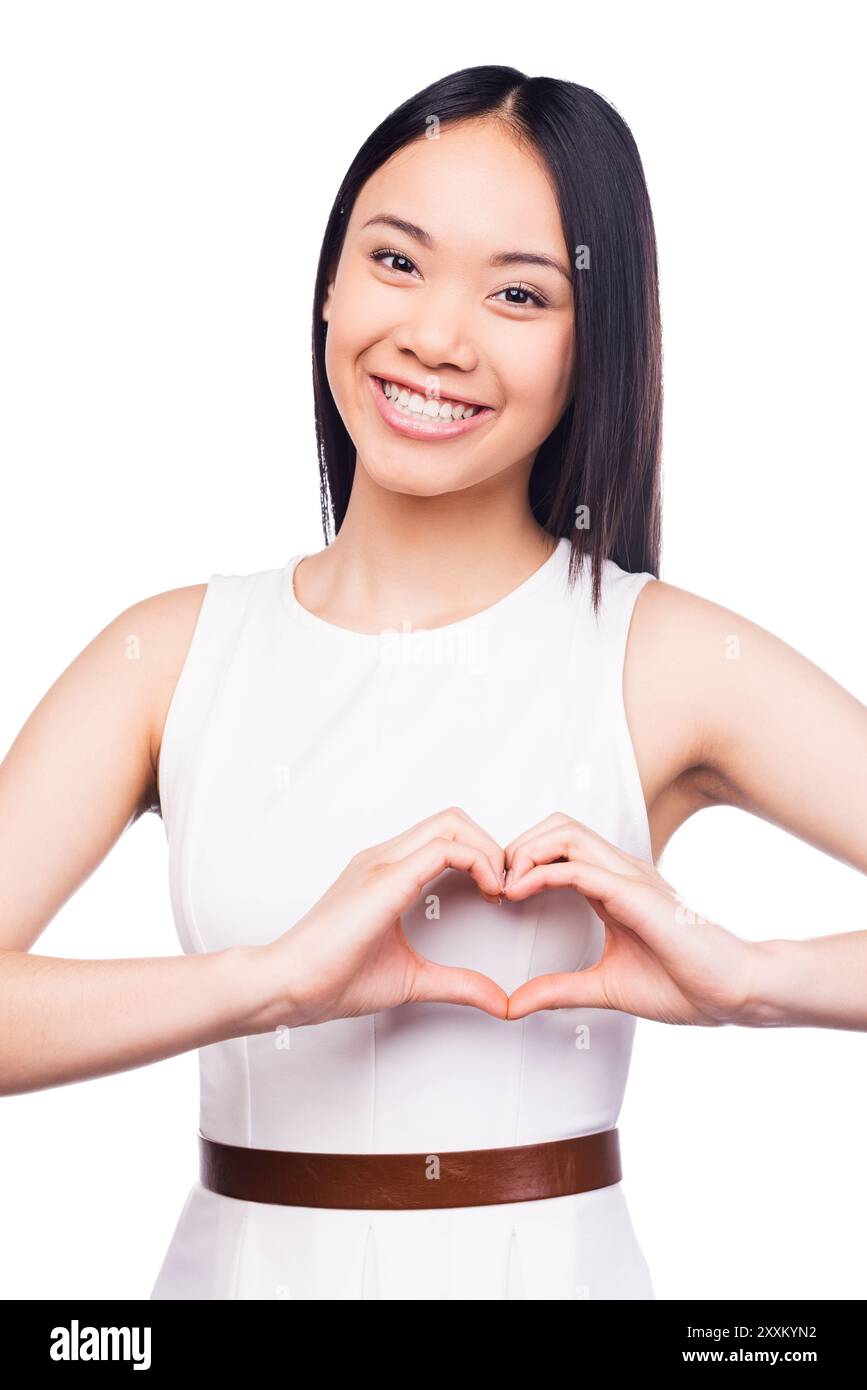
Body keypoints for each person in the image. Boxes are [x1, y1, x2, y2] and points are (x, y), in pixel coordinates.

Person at [1, 65, 865, 1301]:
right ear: (329, 287)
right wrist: (271, 982)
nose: (436, 338)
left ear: (594, 343)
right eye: (397, 261)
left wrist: (752, 978)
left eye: (519, 292)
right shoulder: (171, 653)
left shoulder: (658, 654)